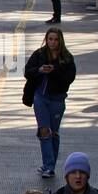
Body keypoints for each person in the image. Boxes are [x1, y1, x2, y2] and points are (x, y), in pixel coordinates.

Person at [23, 28, 76, 178]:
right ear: (46, 40)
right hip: (40, 97)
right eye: (50, 39)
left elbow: (69, 78)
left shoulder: (66, 58)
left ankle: (50, 163)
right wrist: (40, 70)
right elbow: (27, 72)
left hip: (57, 99)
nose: (52, 42)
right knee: (44, 130)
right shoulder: (39, 54)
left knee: (54, 131)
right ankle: (49, 165)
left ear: (60, 41)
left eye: (55, 39)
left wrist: (54, 71)